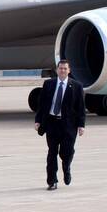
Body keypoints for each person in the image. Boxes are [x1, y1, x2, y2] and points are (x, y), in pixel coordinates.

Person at [34, 59, 86, 189]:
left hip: (68, 125)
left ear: (69, 71)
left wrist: (81, 125)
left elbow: (80, 107)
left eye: (65, 68)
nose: (62, 70)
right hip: (52, 123)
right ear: (57, 70)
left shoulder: (76, 86)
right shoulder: (48, 84)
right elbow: (42, 104)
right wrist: (38, 120)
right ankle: (52, 181)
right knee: (52, 152)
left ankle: (66, 167)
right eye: (60, 68)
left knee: (66, 152)